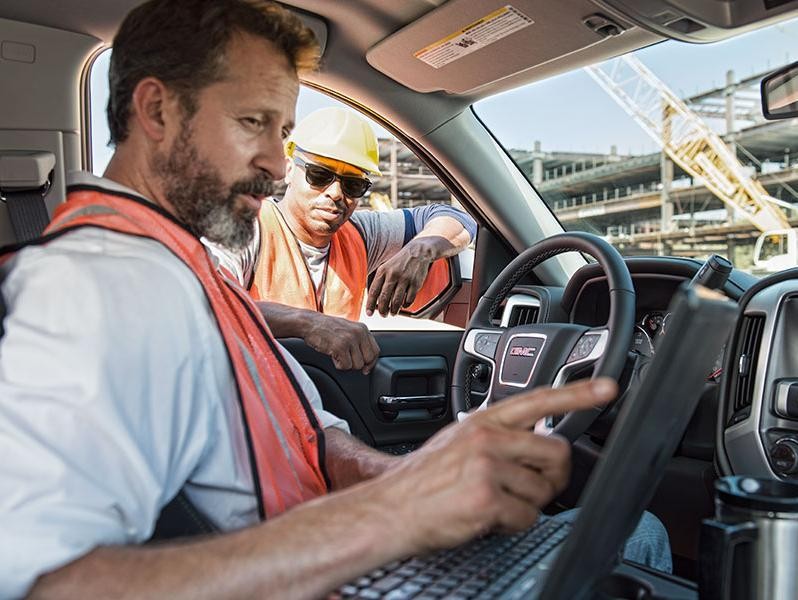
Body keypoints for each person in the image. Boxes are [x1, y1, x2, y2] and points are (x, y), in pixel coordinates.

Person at [0, 1, 668, 597]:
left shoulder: (186, 267)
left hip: (333, 560)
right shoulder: (98, 284)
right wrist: (390, 518)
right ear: (157, 111)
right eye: (253, 122)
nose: (277, 163)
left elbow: (307, 440)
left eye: (280, 130)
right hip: (326, 567)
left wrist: (404, 479)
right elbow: (42, 583)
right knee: (636, 536)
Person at [206, 107, 477, 373]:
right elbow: (210, 304)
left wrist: (419, 251)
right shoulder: (249, 228)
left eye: (353, 184)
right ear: (289, 169)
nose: (336, 193)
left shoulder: (360, 232)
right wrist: (307, 323)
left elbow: (456, 218)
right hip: (257, 392)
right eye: (319, 175)